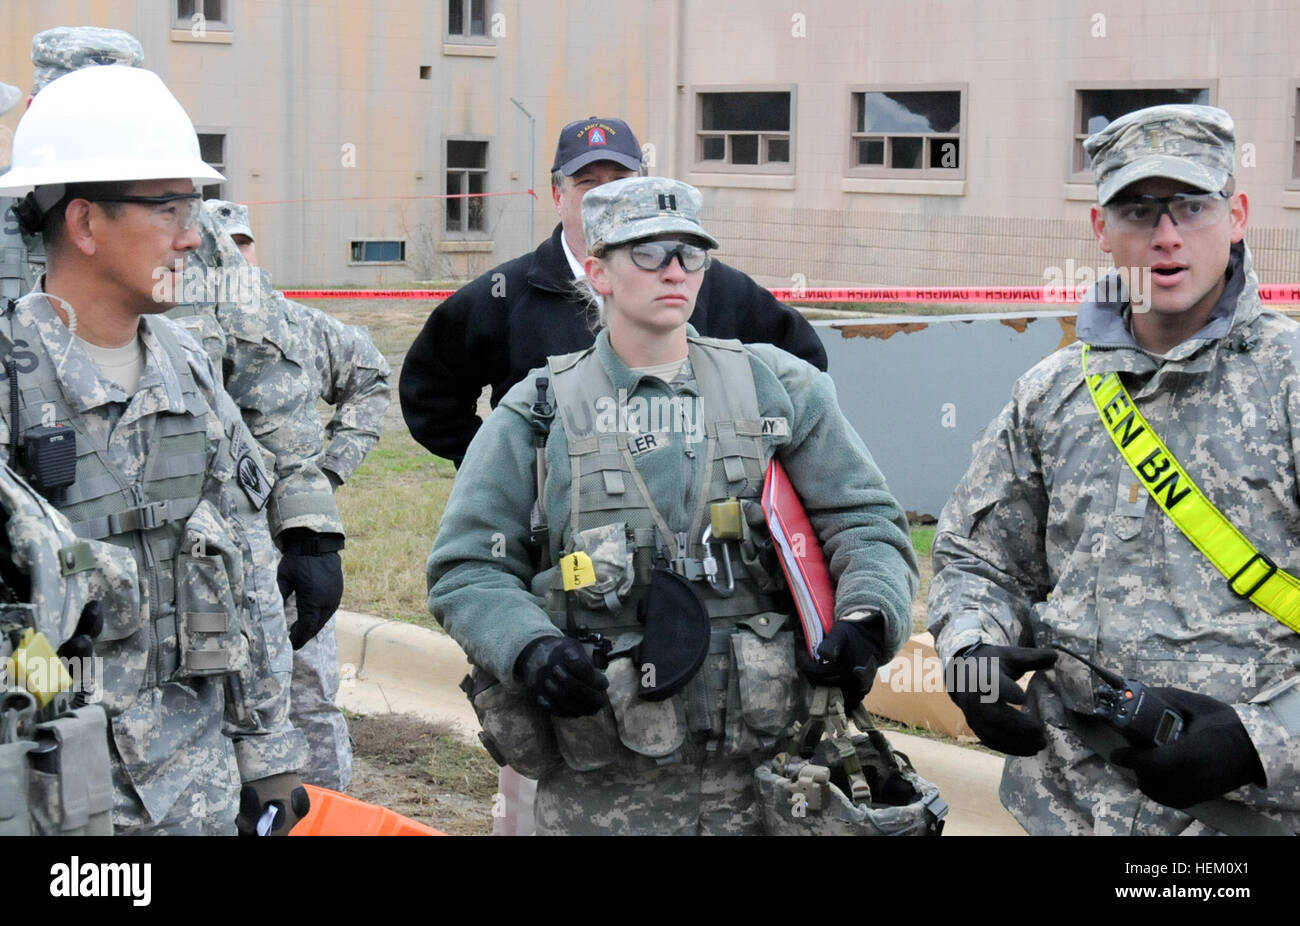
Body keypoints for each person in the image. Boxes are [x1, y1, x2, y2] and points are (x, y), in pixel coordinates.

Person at [428, 176, 917, 835]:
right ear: (598, 272)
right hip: (604, 799)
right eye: (649, 252)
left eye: (691, 252)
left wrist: (867, 617)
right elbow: (467, 567)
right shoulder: (540, 410)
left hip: (769, 787)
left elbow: (862, 520)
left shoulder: (777, 386)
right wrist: (532, 649)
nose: (676, 270)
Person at [928, 104, 1300, 835]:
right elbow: (976, 561)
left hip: (1242, 824)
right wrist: (972, 661)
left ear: (1238, 215)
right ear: (1101, 230)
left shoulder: (1289, 384)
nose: (1165, 236)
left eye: (1192, 206)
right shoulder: (1052, 391)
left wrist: (1263, 744)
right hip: (1065, 812)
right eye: (1137, 210)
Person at [0, 63, 308, 835]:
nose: (192, 235)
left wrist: (267, 756)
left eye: (192, 204)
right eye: (166, 206)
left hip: (195, 792)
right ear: (84, 223)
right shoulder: (11, 384)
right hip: (52, 804)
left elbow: (249, 569)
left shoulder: (187, 365)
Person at [400, 116, 828, 468]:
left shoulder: (699, 280)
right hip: (552, 523)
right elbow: (430, 393)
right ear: (558, 196)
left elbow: (801, 365)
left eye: (621, 181)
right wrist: (504, 468)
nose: (606, 196)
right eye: (588, 183)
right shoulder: (503, 294)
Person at [206, 197, 393, 791]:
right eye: (221, 247)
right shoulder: (170, 331)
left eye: (243, 245)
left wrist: (330, 474)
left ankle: (327, 813)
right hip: (202, 558)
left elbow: (370, 377)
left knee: (307, 697)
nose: (233, 258)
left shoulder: (294, 324)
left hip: (287, 550)